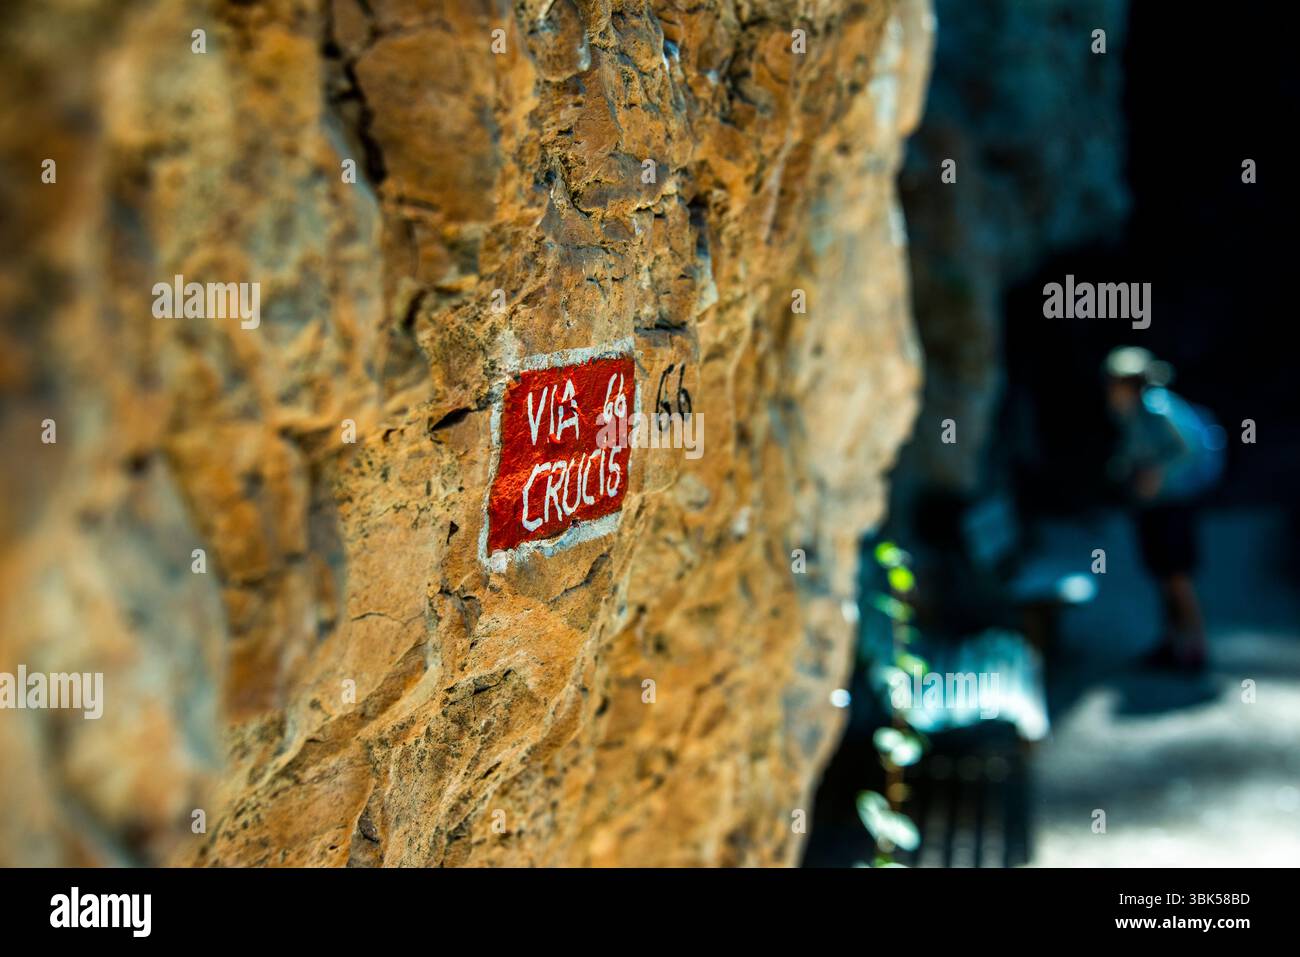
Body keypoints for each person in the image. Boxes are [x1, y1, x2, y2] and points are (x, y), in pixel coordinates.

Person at [1103, 347, 1224, 672]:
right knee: (1162, 576)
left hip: (1174, 505)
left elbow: (1187, 450)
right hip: (1155, 508)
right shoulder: (1133, 413)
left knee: (1177, 577)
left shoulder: (1156, 409)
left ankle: (1196, 648)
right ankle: (1172, 644)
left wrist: (1157, 475)